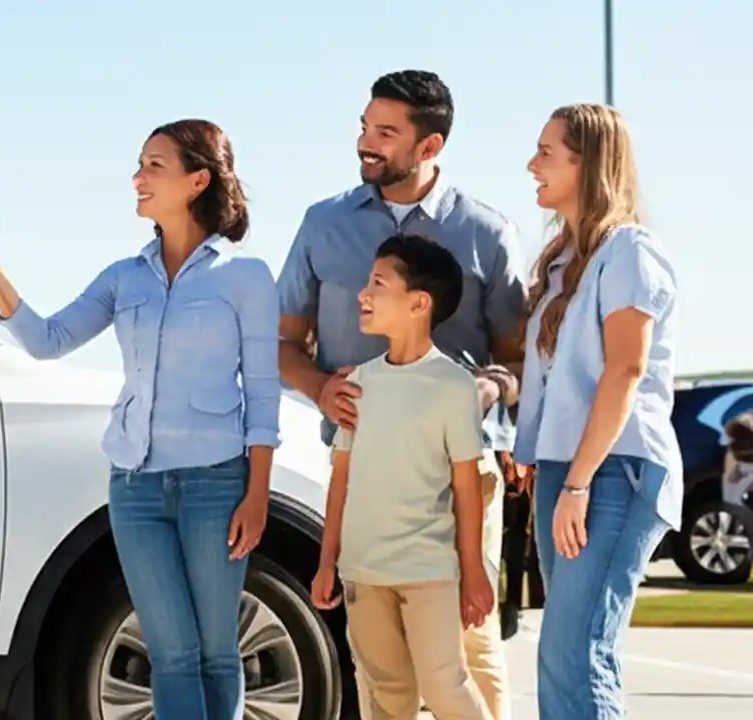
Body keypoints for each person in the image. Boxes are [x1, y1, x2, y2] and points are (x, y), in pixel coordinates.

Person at [0, 118, 280, 719]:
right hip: (135, 488)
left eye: (154, 165)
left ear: (197, 180)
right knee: (171, 653)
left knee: (215, 651)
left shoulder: (245, 277)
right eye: (140, 164)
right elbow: (48, 340)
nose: (137, 178)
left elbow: (263, 394)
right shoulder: (124, 277)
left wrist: (257, 493)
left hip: (218, 485)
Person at [276, 69, 525, 719]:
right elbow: (281, 343)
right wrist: (319, 386)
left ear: (429, 147)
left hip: (461, 470)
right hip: (361, 474)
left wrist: (489, 390)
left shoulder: (487, 233)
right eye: (364, 125)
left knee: (467, 651)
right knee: (380, 668)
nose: (366, 141)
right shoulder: (322, 225)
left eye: (385, 132)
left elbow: (520, 357)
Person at [512, 102, 683, 719]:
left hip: (614, 470)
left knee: (577, 655)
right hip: (568, 471)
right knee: (564, 658)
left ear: (589, 165)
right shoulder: (562, 264)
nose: (531, 164)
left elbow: (625, 371)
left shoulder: (632, 252)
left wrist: (579, 482)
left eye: (547, 152)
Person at [309, 234, 495, 720]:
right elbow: (341, 482)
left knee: (446, 687)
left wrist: (473, 572)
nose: (362, 294)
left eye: (377, 283)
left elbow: (466, 486)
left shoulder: (454, 386)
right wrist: (329, 561)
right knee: (387, 696)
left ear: (419, 303)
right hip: (363, 572)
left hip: (429, 571)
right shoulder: (357, 384)